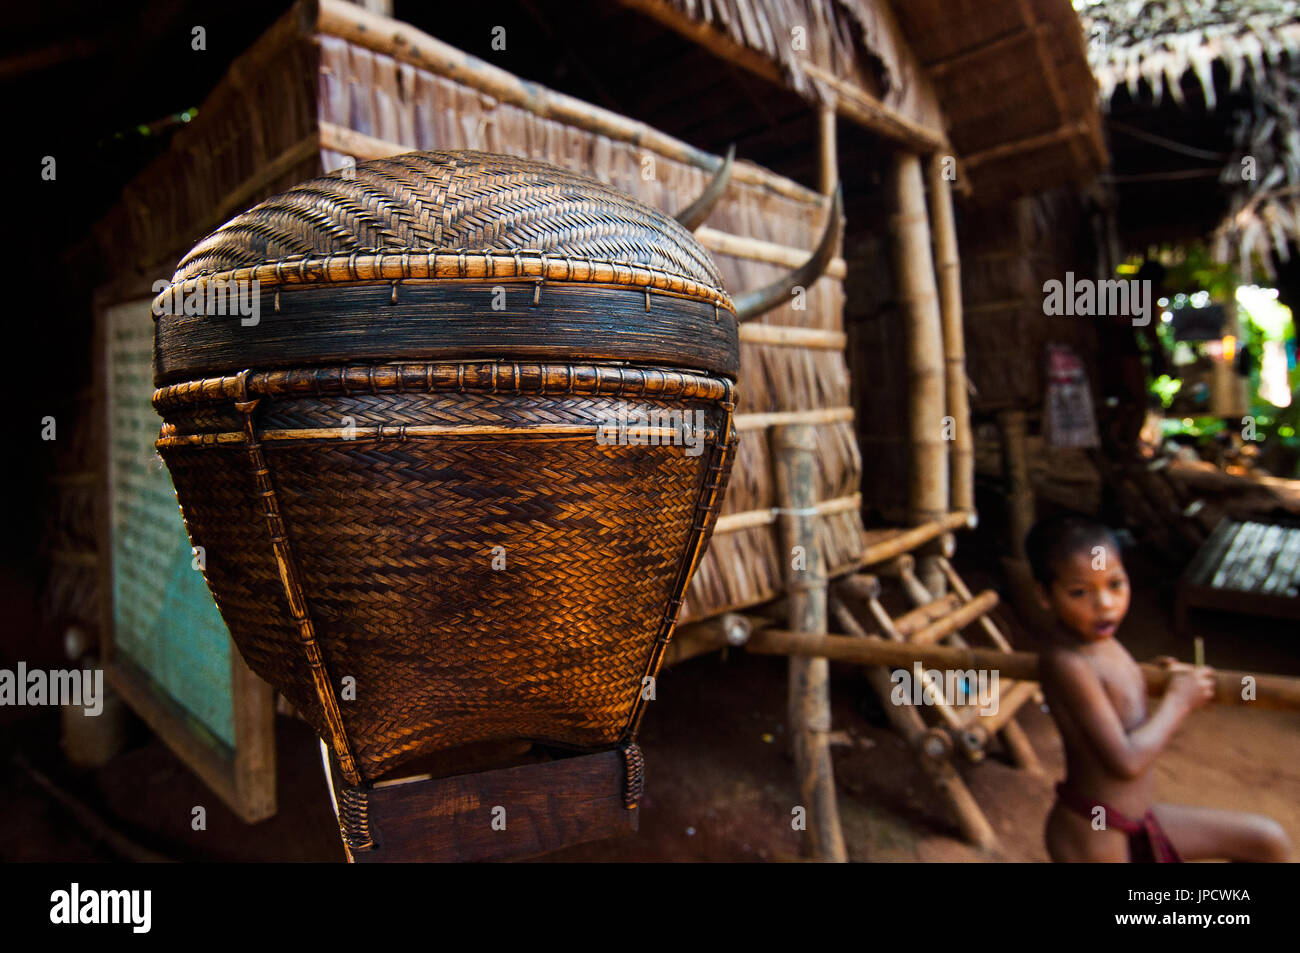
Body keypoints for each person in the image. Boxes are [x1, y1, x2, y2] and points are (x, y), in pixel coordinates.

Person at [1026, 514, 1290, 862]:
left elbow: (1116, 690)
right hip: (1095, 834)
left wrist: (1161, 678)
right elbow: (1126, 761)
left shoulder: (1102, 644)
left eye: (1115, 584)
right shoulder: (1067, 662)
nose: (1105, 603)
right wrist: (1179, 701)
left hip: (1134, 820)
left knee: (1267, 841)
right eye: (1080, 592)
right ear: (1044, 595)